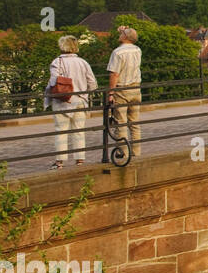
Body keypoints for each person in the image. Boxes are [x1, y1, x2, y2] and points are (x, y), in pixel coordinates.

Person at [44, 35, 98, 169]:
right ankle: (80, 160)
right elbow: (93, 83)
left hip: (62, 101)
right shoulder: (83, 62)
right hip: (80, 100)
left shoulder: (57, 62)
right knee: (79, 130)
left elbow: (53, 81)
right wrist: (85, 92)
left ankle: (60, 162)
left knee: (61, 131)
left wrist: (47, 96)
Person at [106, 25, 143, 157]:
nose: (119, 35)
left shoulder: (117, 53)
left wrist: (110, 93)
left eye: (122, 34)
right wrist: (124, 31)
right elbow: (129, 38)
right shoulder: (137, 50)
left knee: (120, 122)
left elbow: (114, 74)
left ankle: (123, 152)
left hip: (122, 90)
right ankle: (136, 151)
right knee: (134, 122)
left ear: (125, 37)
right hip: (135, 88)